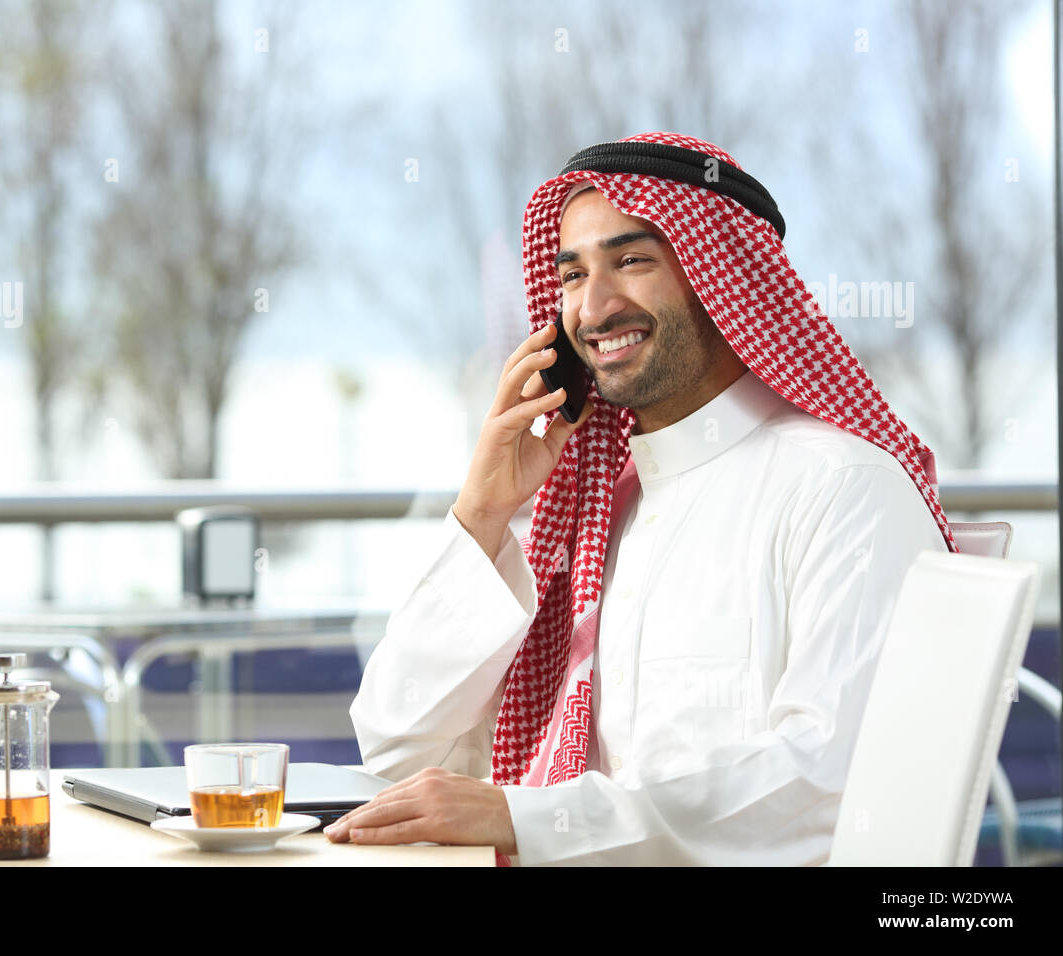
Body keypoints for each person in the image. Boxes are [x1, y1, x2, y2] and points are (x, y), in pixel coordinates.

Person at [324, 131, 956, 865]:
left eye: (631, 261)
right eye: (571, 276)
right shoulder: (595, 515)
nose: (592, 309)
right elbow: (396, 750)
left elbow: (824, 785)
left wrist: (529, 819)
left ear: (725, 277)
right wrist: (484, 513)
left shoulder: (845, 491)